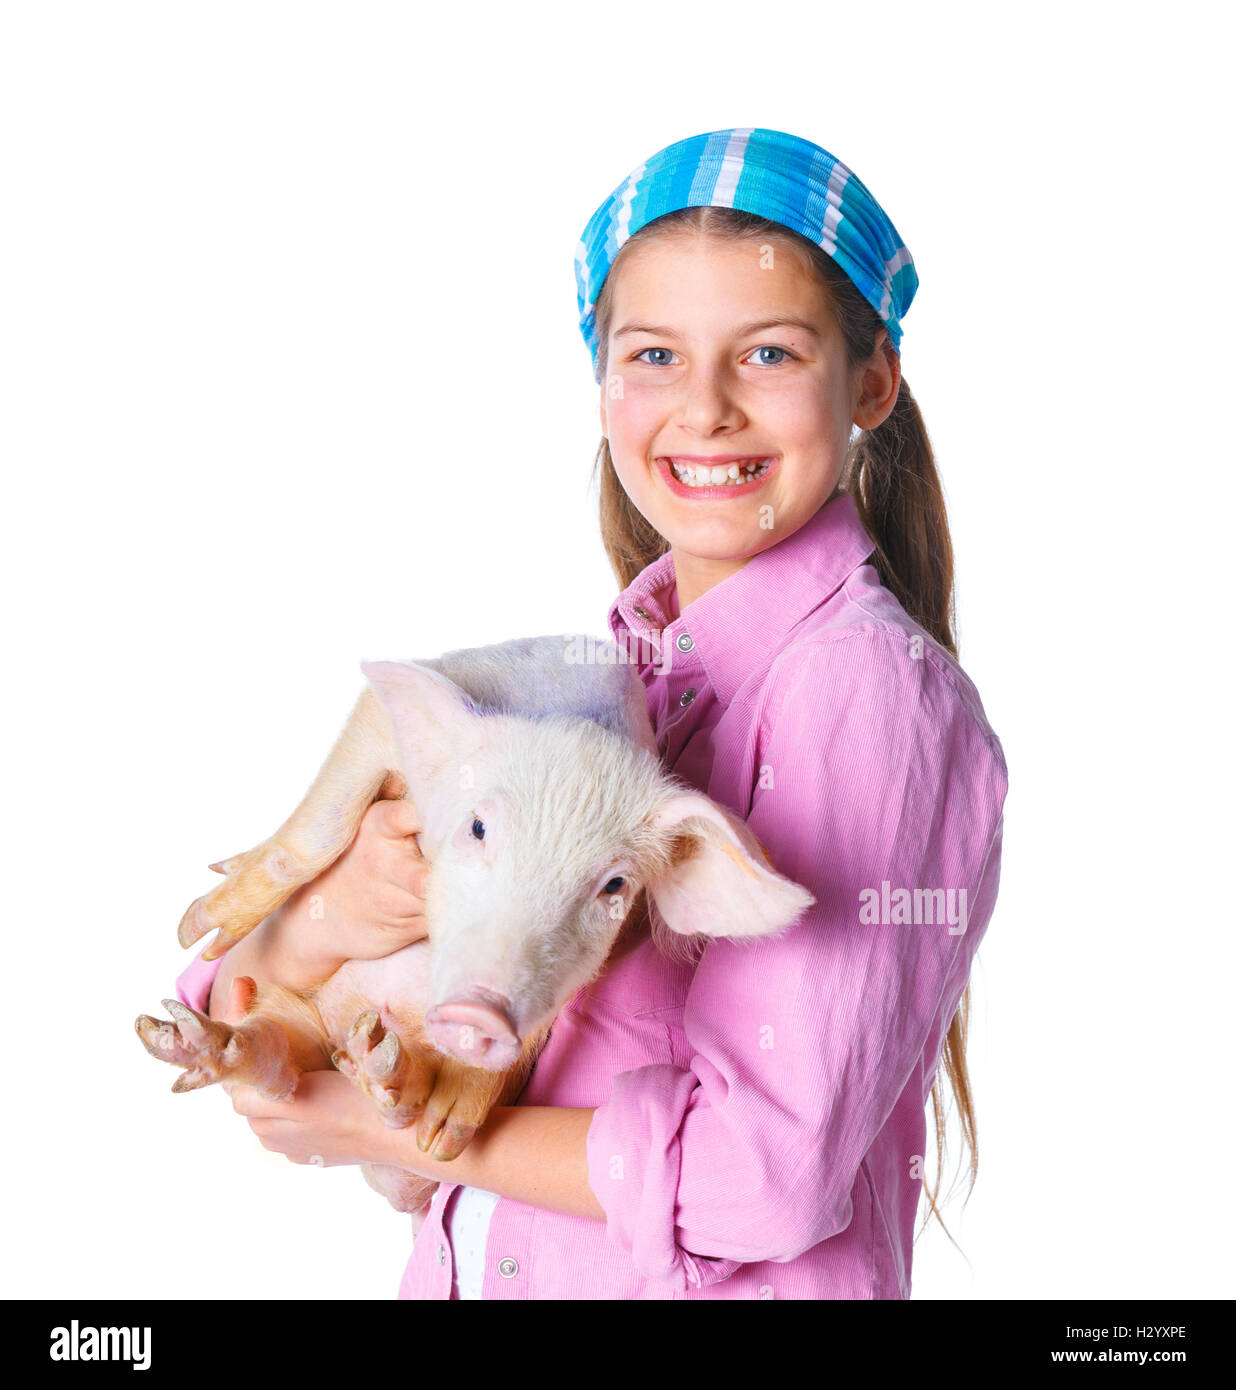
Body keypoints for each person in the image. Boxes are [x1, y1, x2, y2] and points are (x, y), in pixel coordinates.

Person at [173, 127, 1009, 1299]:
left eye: (768, 353)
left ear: (870, 380)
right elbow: (251, 1006)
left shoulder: (860, 690)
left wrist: (380, 1132)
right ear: (602, 379)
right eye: (655, 354)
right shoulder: (607, 685)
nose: (705, 408)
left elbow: (759, 1175)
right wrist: (333, 916)